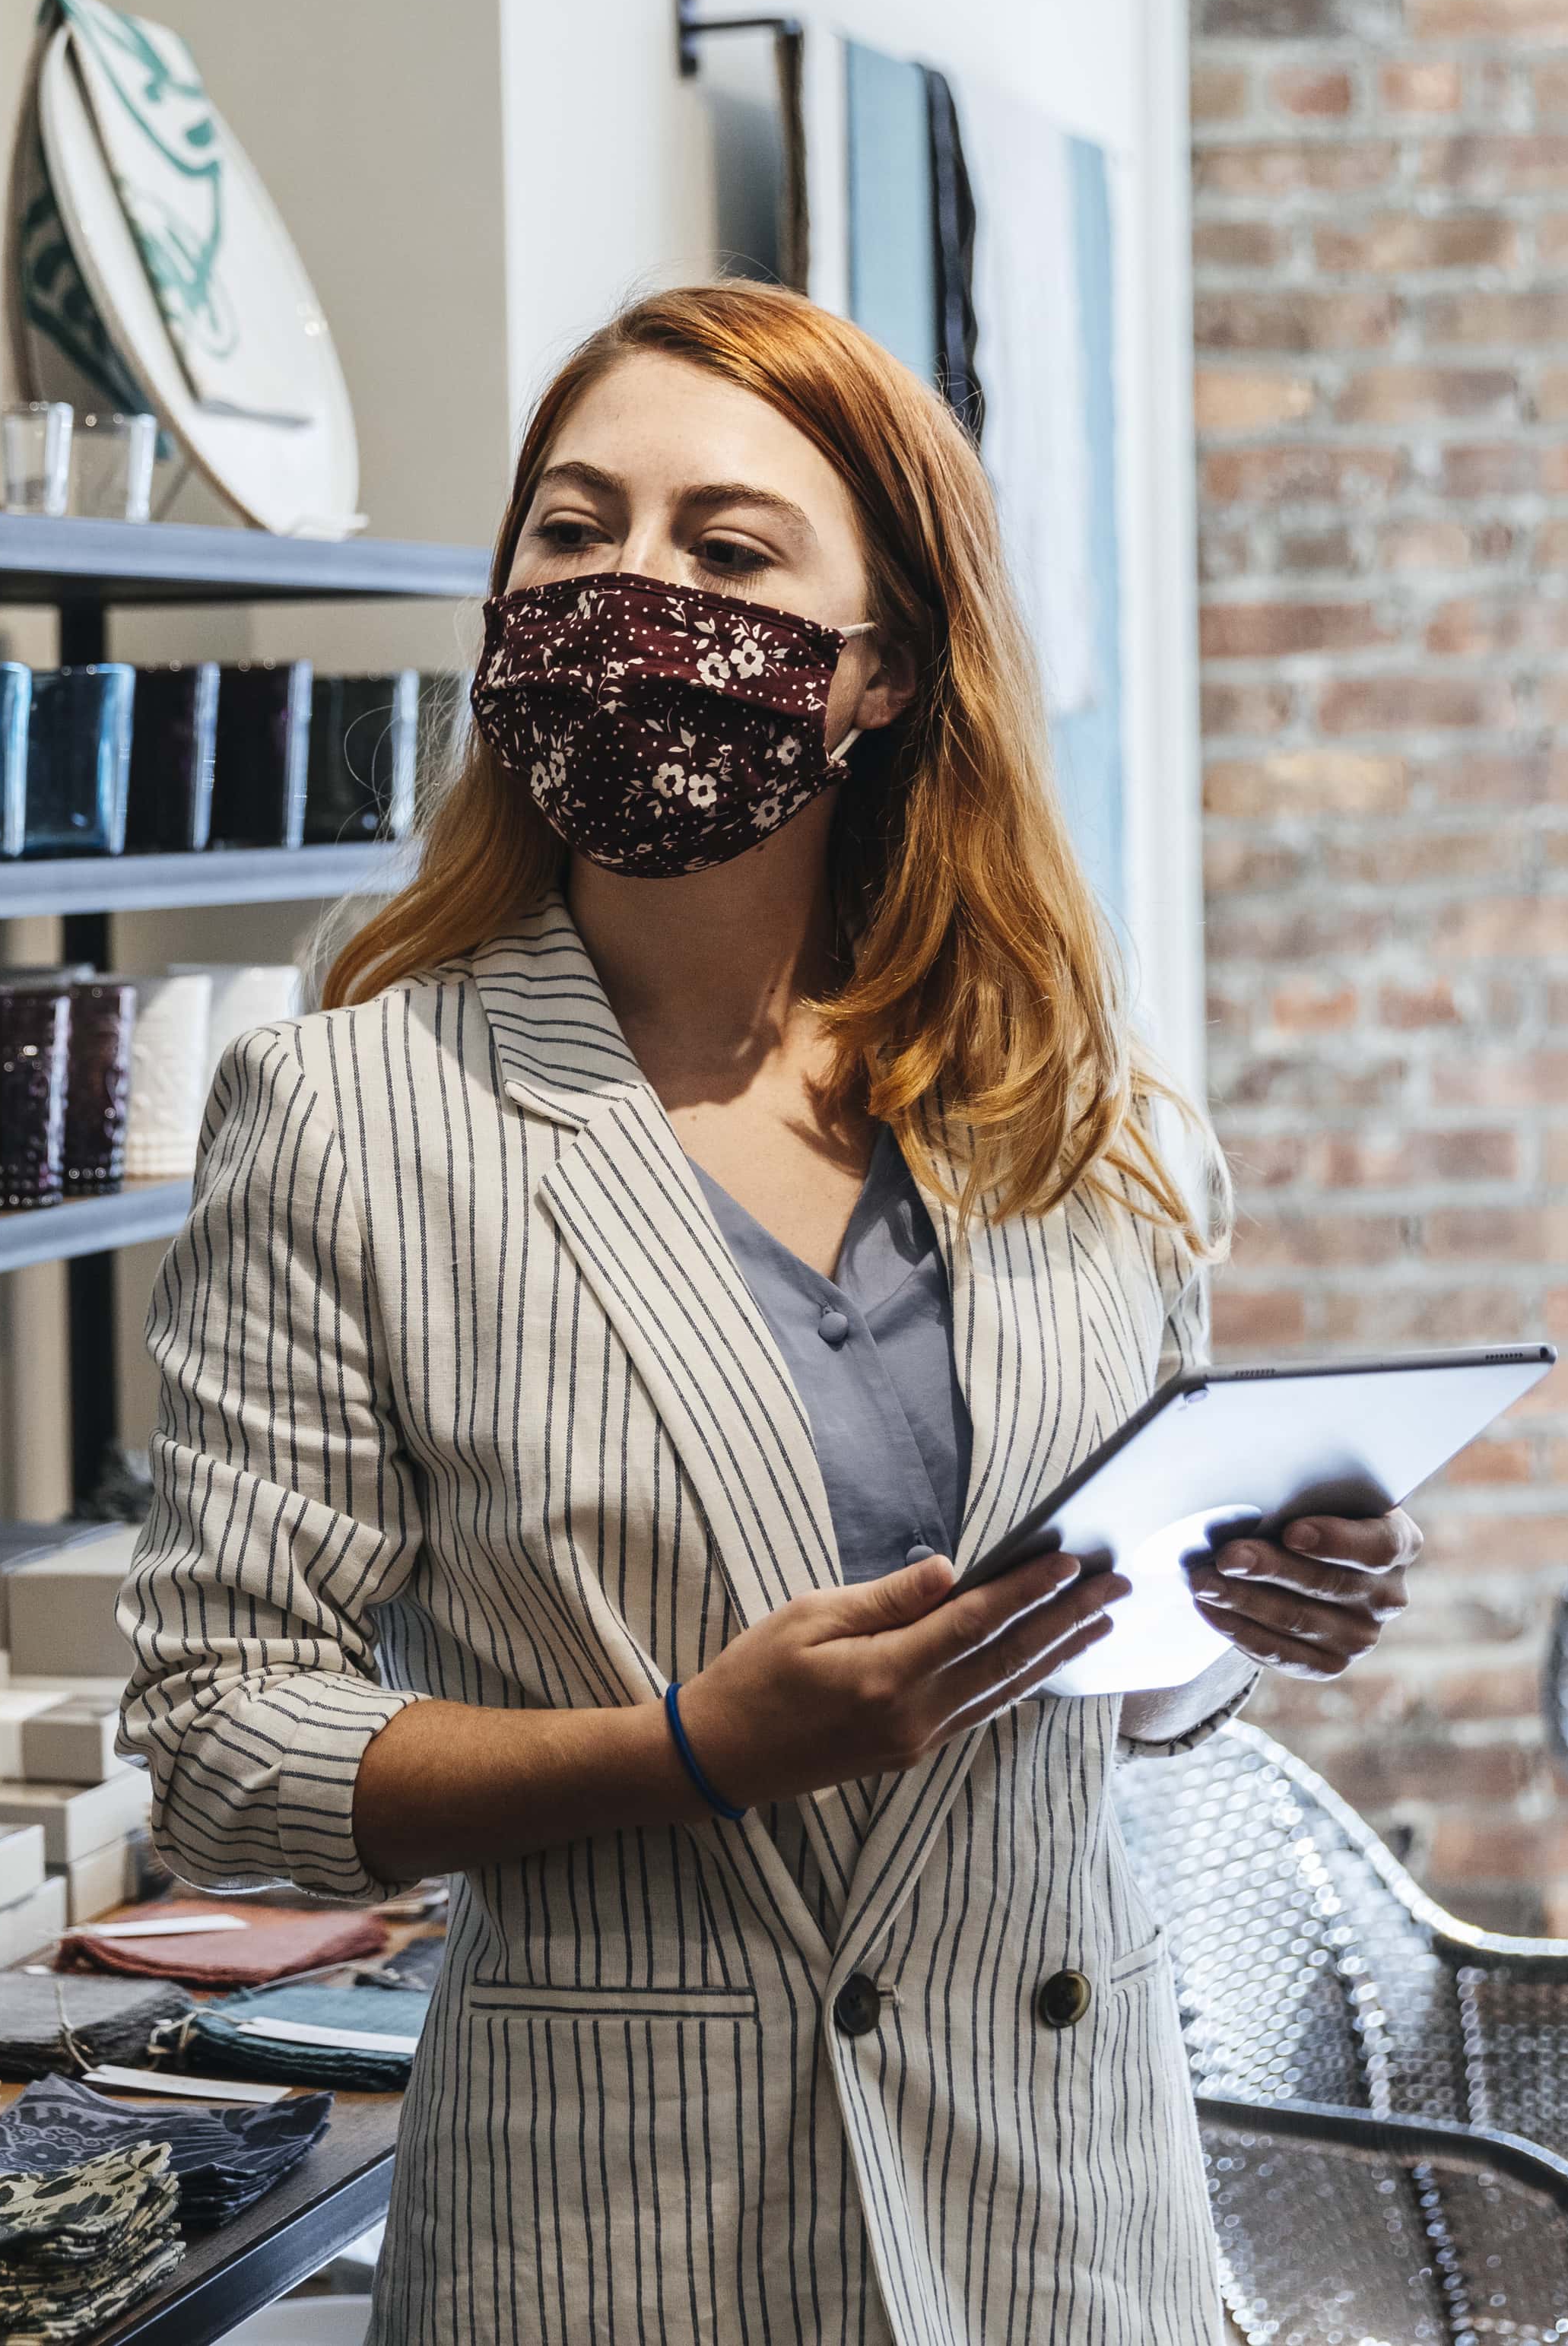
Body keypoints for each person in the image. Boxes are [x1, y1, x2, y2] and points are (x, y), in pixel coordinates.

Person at [119, 282, 1427, 2343]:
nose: (629, 590)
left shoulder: (1065, 1117)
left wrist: (1242, 1603)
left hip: (1061, 2204)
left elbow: (1120, 1680)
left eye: (725, 553)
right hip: (624, 2223)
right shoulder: (353, 1112)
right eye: (571, 532)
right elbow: (217, 1743)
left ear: (879, 667)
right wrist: (683, 1748)